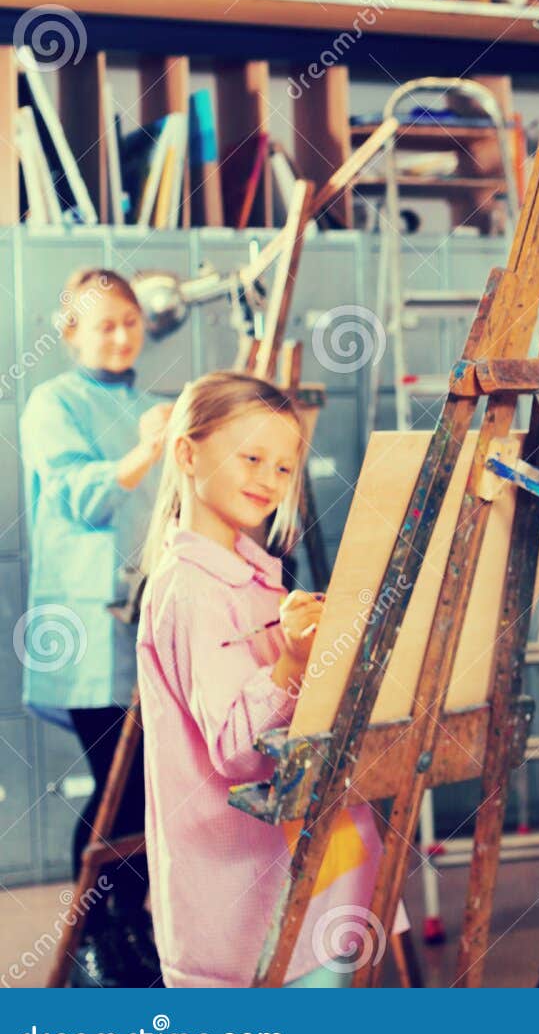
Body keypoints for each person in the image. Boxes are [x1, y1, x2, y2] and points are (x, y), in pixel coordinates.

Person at [136, 371, 389, 987]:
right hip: (238, 882)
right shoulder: (190, 589)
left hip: (300, 867)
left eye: (283, 468)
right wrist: (293, 665)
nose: (269, 479)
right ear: (188, 453)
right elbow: (239, 750)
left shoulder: (257, 577)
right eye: (251, 457)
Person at [19, 268, 169, 987]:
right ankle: (96, 939)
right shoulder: (53, 403)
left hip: (144, 629)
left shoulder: (151, 406)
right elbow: (81, 496)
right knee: (120, 788)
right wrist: (148, 449)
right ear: (70, 331)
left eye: (131, 322)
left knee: (150, 794)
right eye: (103, 324)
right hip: (84, 636)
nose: (120, 336)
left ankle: (127, 928)